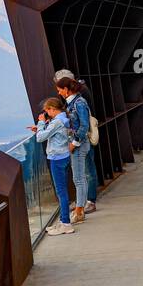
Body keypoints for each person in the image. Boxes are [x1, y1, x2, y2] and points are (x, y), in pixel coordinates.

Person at [54, 69, 99, 213]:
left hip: (81, 139)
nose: (58, 91)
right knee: (80, 173)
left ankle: (90, 201)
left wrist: (75, 142)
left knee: (87, 170)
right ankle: (82, 202)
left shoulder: (79, 98)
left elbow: (83, 123)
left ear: (66, 86)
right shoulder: (73, 97)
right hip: (78, 138)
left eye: (60, 87)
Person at [32, 97, 76, 236]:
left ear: (52, 109)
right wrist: (43, 127)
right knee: (62, 190)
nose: (46, 113)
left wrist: (40, 123)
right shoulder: (63, 119)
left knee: (61, 192)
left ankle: (66, 224)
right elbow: (54, 134)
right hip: (64, 155)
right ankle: (64, 220)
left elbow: (40, 138)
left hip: (57, 158)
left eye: (47, 111)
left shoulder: (57, 121)